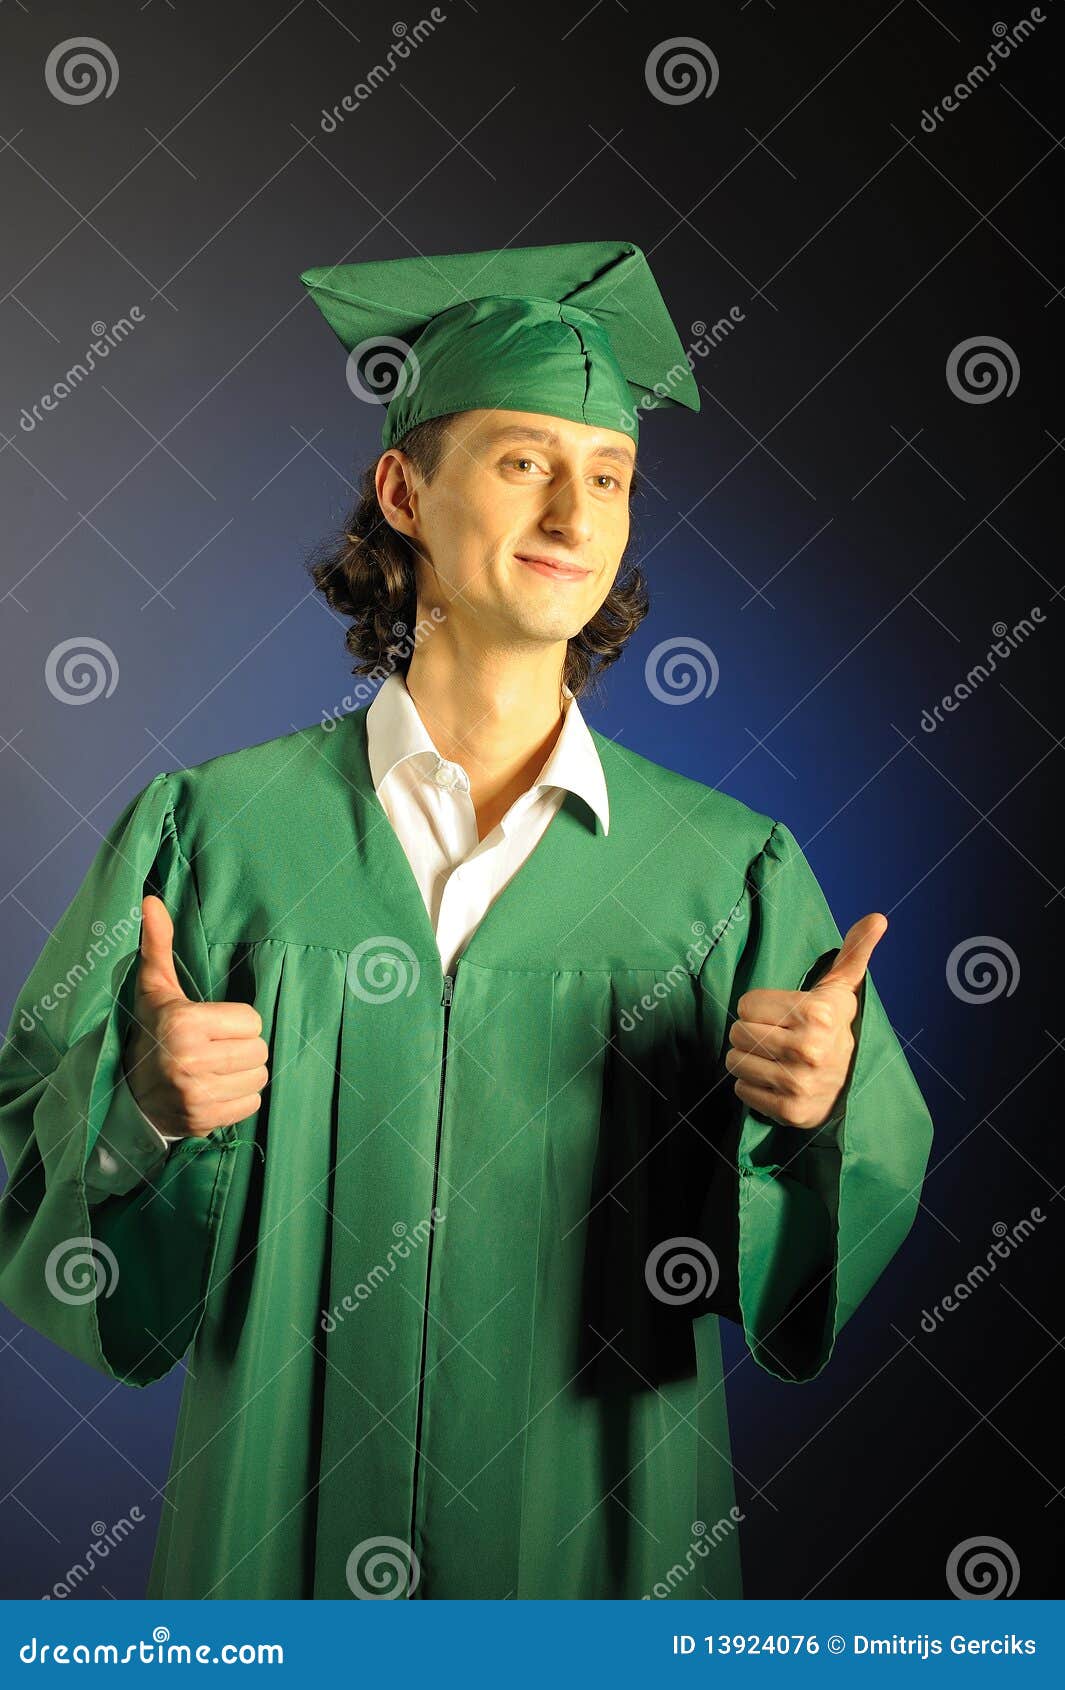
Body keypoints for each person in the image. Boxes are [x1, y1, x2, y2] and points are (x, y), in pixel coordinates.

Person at [0, 240, 933, 1600]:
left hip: (600, 1559)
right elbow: (25, 1148)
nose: (572, 511)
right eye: (519, 463)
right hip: (284, 1560)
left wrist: (811, 1119)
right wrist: (138, 1106)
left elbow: (833, 1226)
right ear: (403, 490)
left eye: (606, 476)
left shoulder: (722, 873)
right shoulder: (214, 836)